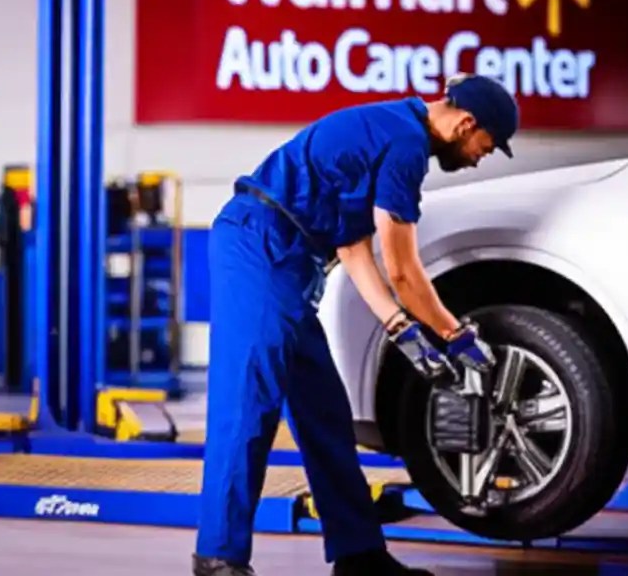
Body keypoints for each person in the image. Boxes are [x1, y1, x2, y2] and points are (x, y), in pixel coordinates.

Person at [192, 74, 520, 576]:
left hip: (293, 264)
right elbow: (404, 271)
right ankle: (219, 557)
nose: (481, 155)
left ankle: (359, 556)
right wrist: (456, 337)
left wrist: (401, 329)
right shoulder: (407, 144)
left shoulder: (394, 129)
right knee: (248, 404)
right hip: (259, 247)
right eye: (487, 145)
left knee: (325, 412)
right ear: (466, 124)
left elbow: (353, 249)